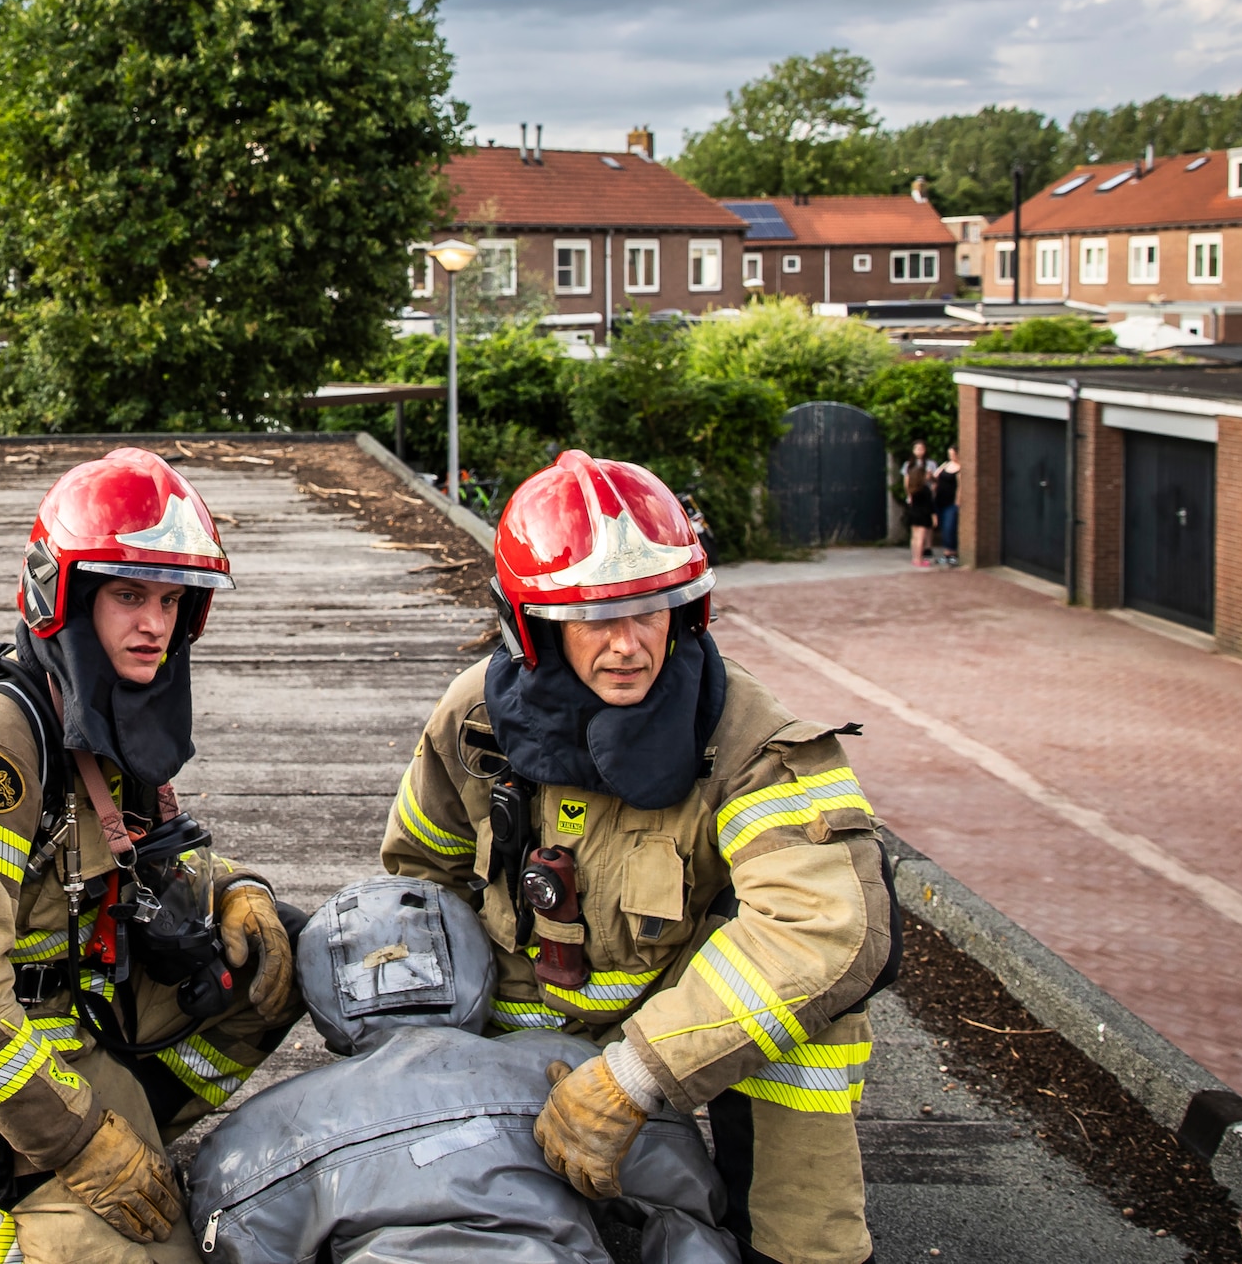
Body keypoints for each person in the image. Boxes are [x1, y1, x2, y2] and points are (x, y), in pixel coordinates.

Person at [381, 450, 893, 1264]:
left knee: (818, 1010)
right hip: (516, 1029)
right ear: (532, 623)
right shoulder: (475, 718)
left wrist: (636, 1076)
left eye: (649, 611)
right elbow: (417, 882)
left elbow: (824, 928)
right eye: (594, 618)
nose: (627, 645)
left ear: (688, 611)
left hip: (682, 1031)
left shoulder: (752, 743)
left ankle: (798, 1245)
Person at [0, 449, 303, 1263]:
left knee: (284, 946)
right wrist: (83, 1147)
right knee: (154, 1255)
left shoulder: (106, 709)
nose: (156, 624)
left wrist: (236, 890)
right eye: (129, 595)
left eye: (172, 599)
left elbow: (150, 862)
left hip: (75, 1016)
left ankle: (124, 1121)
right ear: (62, 598)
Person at [902, 440, 937, 568]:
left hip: (914, 511)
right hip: (923, 513)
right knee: (921, 536)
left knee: (914, 536)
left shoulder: (914, 490)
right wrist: (934, 516)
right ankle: (919, 558)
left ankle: (915, 557)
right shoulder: (925, 490)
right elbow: (930, 504)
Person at [933, 445, 961, 567]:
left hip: (951, 502)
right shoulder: (946, 465)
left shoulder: (960, 468)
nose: (951, 456)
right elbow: (935, 476)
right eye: (949, 453)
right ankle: (946, 554)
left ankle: (953, 553)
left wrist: (957, 502)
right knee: (943, 527)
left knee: (950, 527)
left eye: (953, 453)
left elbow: (960, 486)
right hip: (940, 500)